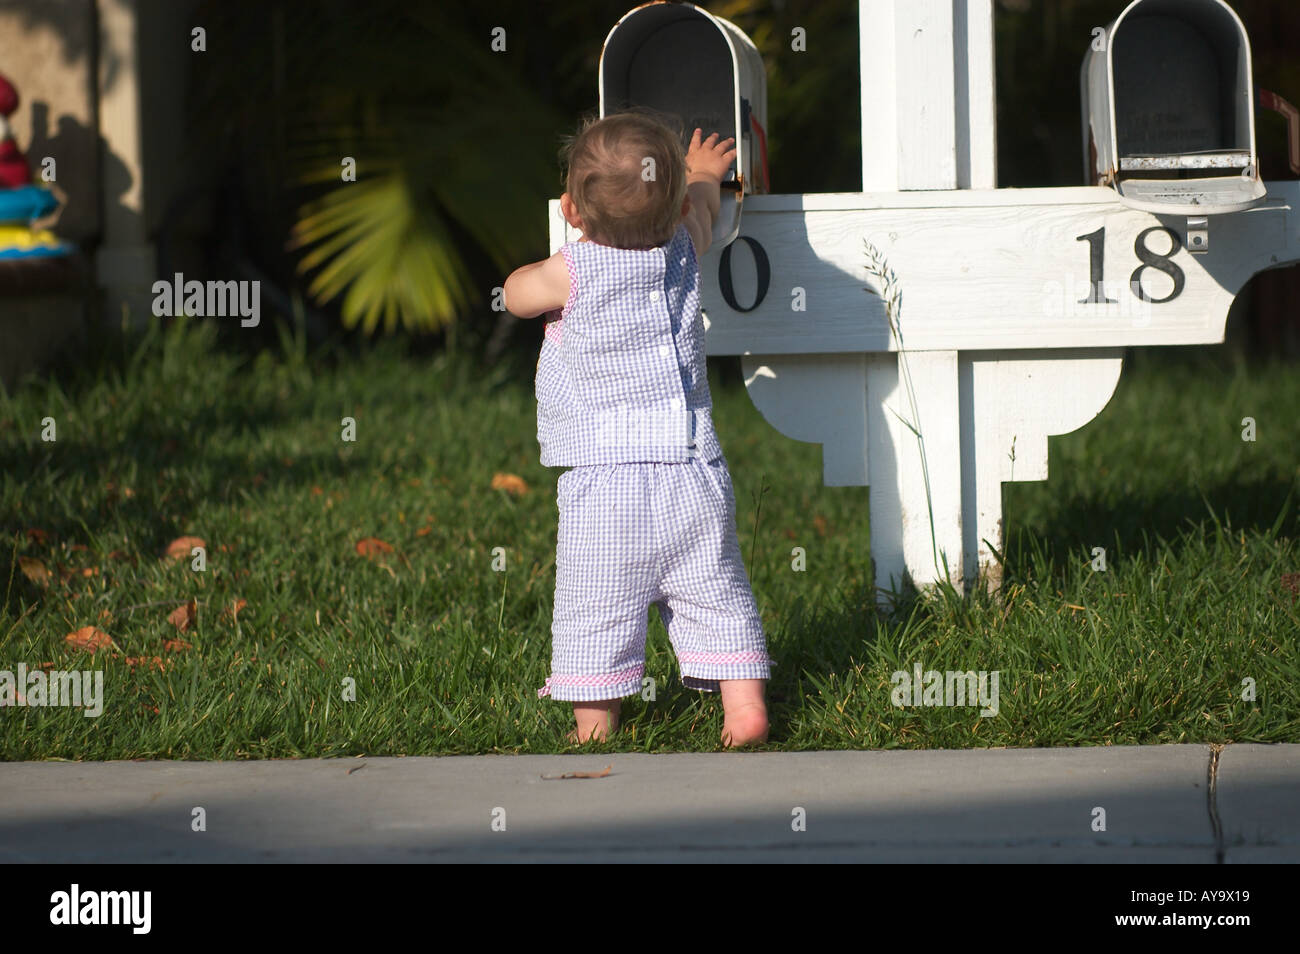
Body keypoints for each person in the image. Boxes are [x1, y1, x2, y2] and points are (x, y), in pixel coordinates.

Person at [503, 111, 773, 747]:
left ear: (572, 210)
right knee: (716, 594)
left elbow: (517, 296)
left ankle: (594, 726)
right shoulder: (683, 244)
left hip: (604, 485)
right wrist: (707, 176)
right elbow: (705, 210)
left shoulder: (570, 271)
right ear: (675, 204)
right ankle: (744, 711)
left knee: (595, 603)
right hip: (689, 472)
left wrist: (525, 275)